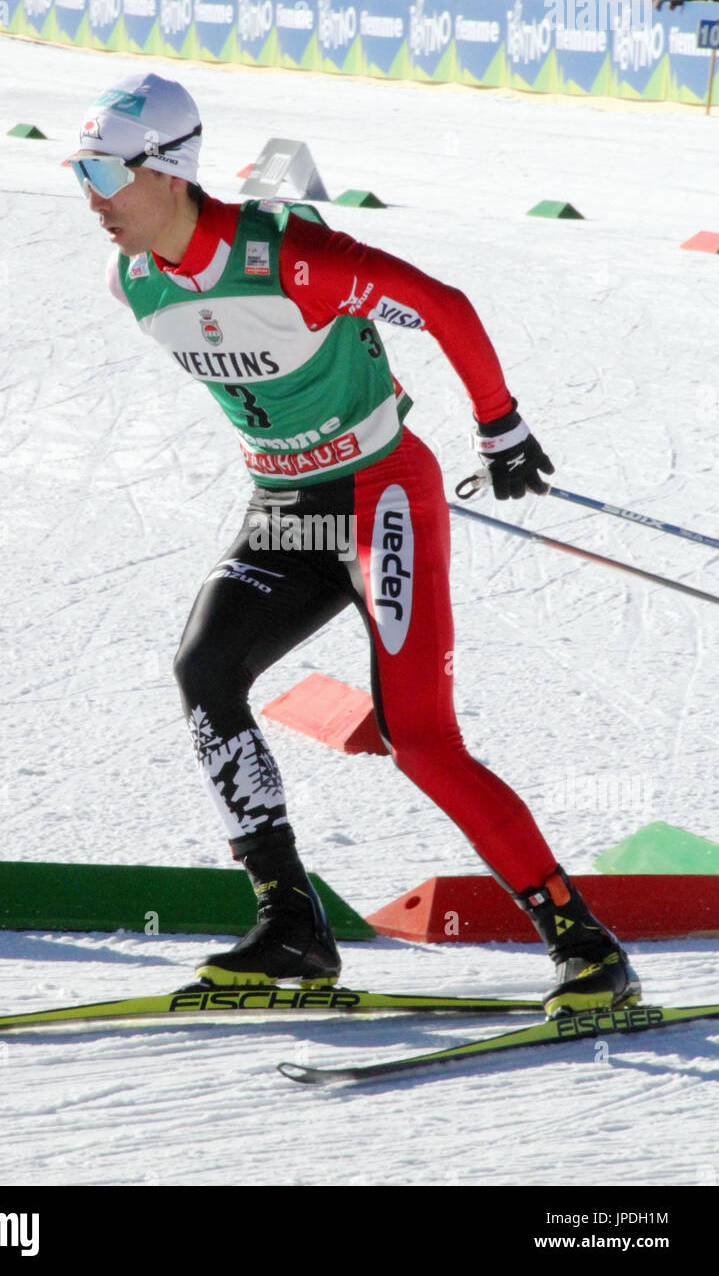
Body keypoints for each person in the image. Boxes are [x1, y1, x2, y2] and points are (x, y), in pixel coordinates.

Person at [66, 72, 641, 1018]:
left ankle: (582, 942)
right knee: (204, 669)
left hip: (382, 494)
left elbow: (443, 305)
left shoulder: (292, 257)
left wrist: (498, 427)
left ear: (167, 171)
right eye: (77, 172)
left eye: (103, 171)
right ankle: (289, 923)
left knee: (419, 737)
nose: (90, 196)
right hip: (287, 501)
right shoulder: (134, 281)